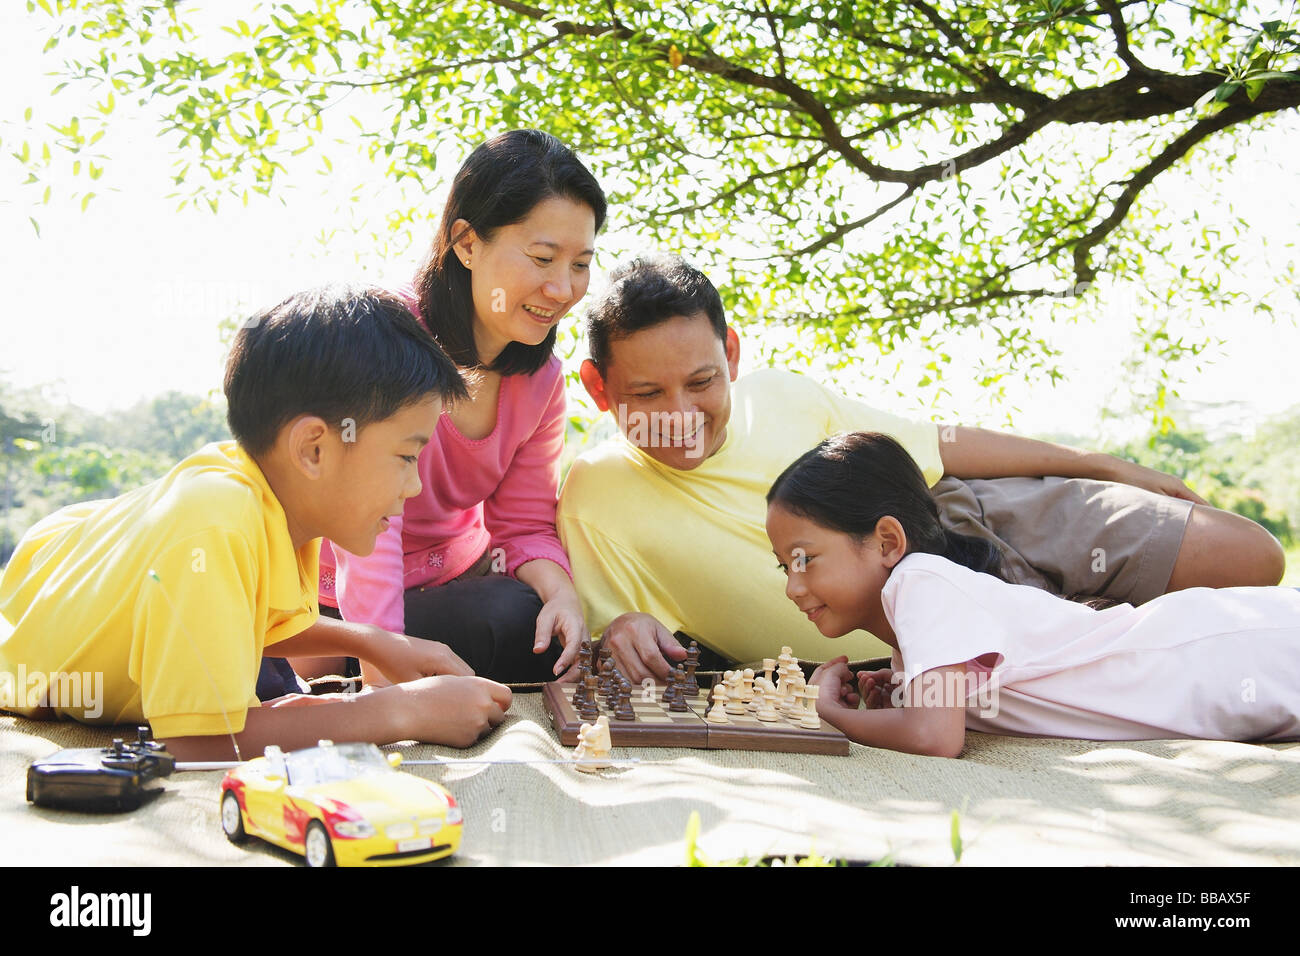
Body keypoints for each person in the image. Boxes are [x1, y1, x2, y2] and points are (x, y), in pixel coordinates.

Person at [557, 255, 1286, 681]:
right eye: (647, 394)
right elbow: (606, 628)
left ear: (733, 357)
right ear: (597, 388)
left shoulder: (780, 394)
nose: (680, 413)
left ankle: (1097, 618)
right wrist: (618, 628)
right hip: (930, 628)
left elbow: (938, 444)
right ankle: (1094, 629)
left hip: (968, 514)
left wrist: (1099, 465)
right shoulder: (596, 495)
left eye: (702, 382)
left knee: (1251, 554)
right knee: (1151, 667)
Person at [0, 285, 513, 760]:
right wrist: (402, 711)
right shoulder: (216, 523)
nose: (414, 486)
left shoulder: (273, 501)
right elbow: (192, 743)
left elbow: (252, 620)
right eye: (405, 457)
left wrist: (376, 642)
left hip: (72, 545)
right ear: (313, 449)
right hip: (24, 632)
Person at [766, 432, 1300, 756]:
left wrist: (832, 714)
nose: (793, 586)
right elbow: (938, 715)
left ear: (887, 541)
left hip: (1228, 651)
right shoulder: (917, 625)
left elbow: (933, 738)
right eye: (783, 567)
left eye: (805, 559)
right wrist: (903, 691)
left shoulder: (920, 582)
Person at [315, 129, 605, 684]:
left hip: (444, 590)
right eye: (543, 258)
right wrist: (387, 679)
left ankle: (345, 664)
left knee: (525, 620)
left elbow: (522, 525)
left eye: (581, 264)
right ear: (467, 243)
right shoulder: (386, 337)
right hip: (332, 587)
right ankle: (337, 657)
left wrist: (563, 596)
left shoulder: (541, 379)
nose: (564, 289)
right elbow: (366, 533)